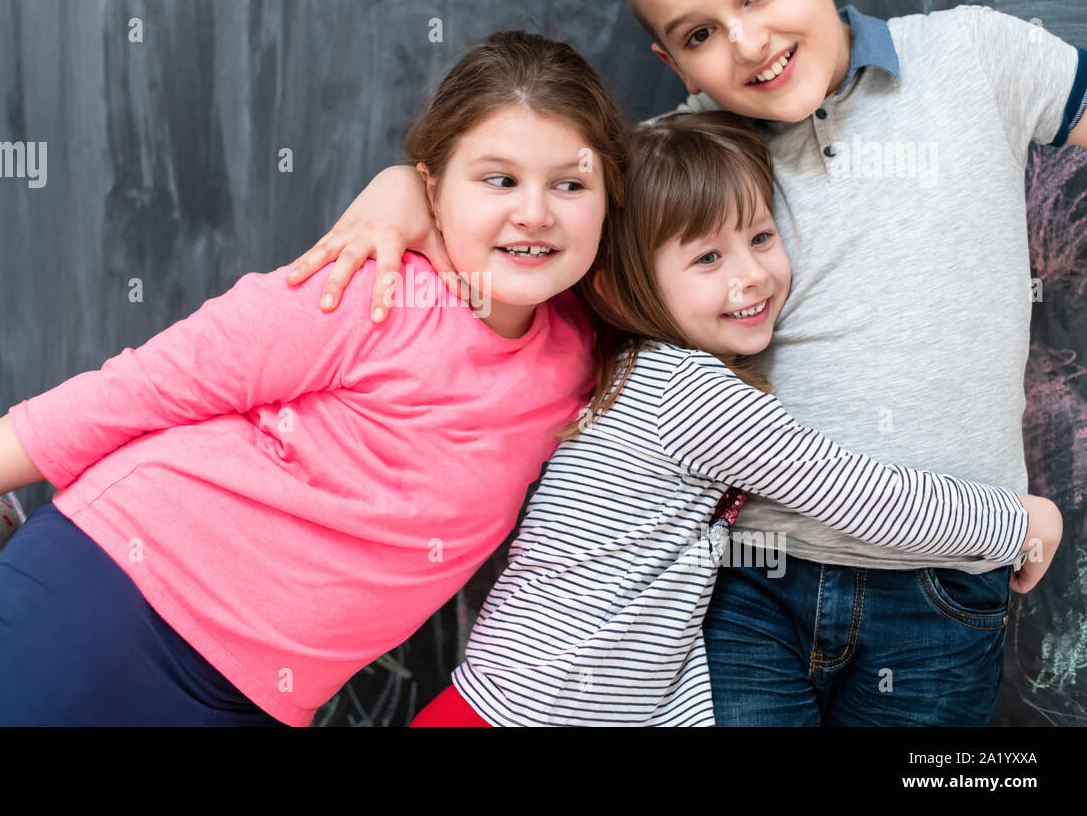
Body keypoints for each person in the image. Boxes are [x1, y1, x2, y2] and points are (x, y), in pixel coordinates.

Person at [282, 0, 1085, 725]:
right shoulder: (663, 167)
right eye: (700, 33)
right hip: (751, 582)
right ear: (674, 64)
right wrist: (406, 190)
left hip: (945, 582)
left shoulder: (975, 54)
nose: (748, 43)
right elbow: (522, 214)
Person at [0, 29, 624, 727]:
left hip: (263, 699)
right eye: (497, 179)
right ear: (433, 186)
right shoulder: (360, 291)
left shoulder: (586, 352)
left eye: (570, 183)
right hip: (121, 588)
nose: (534, 212)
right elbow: (131, 392)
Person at [406, 111, 1060, 726]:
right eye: (707, 259)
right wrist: (1016, 523)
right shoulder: (688, 391)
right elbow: (859, 495)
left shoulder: (634, 370)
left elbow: (659, 605)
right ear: (620, 289)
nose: (751, 275)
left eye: (761, 237)